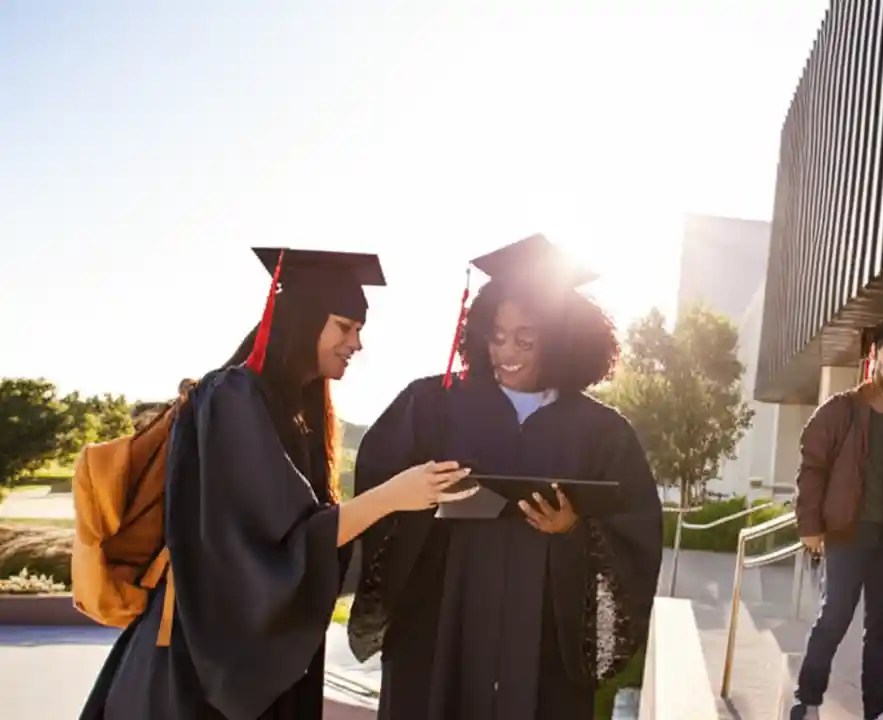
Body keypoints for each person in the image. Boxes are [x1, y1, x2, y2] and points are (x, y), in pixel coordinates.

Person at [81, 248, 477, 720]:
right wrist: (393, 496)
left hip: (238, 648)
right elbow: (272, 544)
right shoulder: (234, 396)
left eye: (359, 329)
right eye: (344, 326)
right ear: (305, 320)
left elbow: (300, 540)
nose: (356, 344)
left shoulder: (296, 410)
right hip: (201, 657)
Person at [347, 234, 664, 720]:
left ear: (559, 340)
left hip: (542, 640)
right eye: (496, 335)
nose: (506, 351)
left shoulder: (603, 434)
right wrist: (420, 495)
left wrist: (574, 531)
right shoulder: (431, 405)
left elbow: (635, 536)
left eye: (525, 339)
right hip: (440, 621)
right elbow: (377, 492)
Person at [789, 318, 883, 720]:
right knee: (833, 618)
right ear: (874, 359)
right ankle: (808, 699)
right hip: (847, 532)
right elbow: (812, 467)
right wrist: (810, 526)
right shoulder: (841, 408)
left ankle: (877, 707)